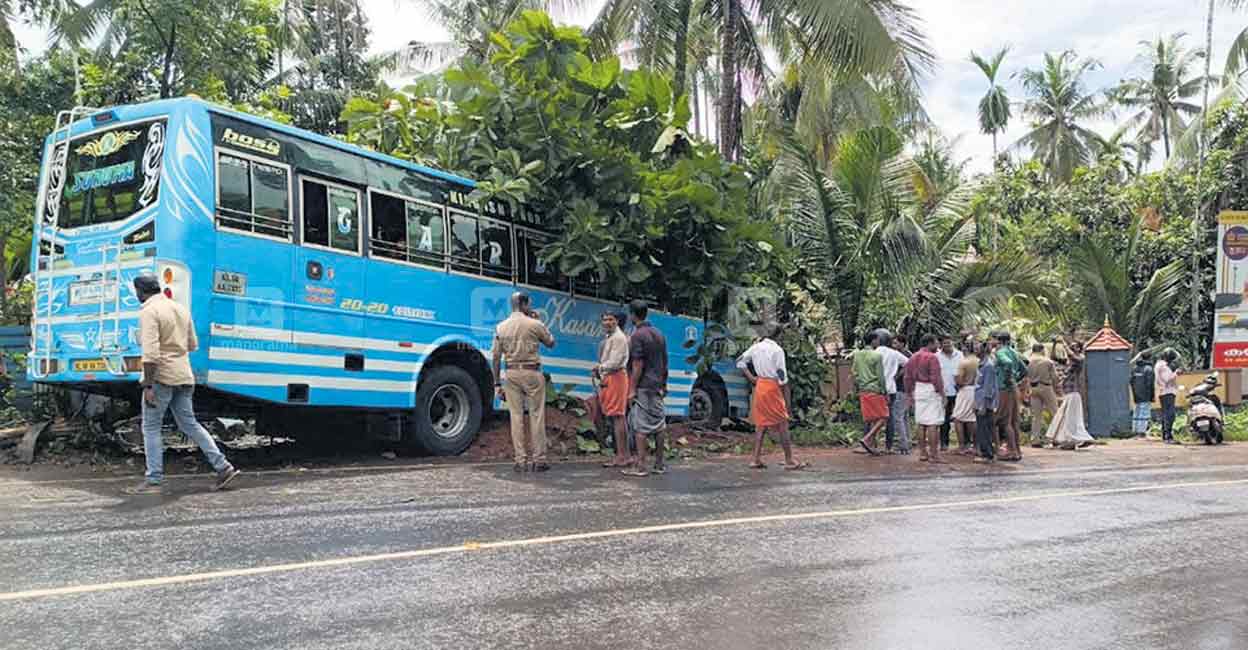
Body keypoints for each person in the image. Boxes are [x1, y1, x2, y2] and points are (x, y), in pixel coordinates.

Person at [130, 274, 239, 494]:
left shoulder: (149, 311)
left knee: (151, 427)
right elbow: (192, 344)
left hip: (161, 377)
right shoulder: (180, 309)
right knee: (190, 424)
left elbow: (150, 355)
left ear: (140, 291)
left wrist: (148, 386)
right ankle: (223, 466)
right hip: (184, 375)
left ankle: (153, 480)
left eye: (137, 292)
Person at [491, 292, 556, 472]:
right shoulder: (535, 324)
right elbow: (551, 342)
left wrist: (497, 384)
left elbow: (496, 357)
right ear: (524, 304)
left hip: (511, 373)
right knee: (536, 415)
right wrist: (540, 321)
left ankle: (520, 460)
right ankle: (539, 459)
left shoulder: (500, 327)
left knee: (516, 416)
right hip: (532, 373)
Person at [737, 325, 806, 470]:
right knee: (783, 424)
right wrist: (788, 405)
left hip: (760, 386)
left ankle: (755, 459)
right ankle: (789, 460)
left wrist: (752, 378)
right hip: (772, 388)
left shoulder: (756, 347)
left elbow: (740, 361)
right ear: (779, 336)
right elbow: (782, 377)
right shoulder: (777, 350)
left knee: (761, 425)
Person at [623, 300, 668, 477]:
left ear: (632, 315)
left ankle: (641, 466)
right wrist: (664, 384)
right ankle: (659, 463)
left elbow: (637, 364)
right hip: (657, 385)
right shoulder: (659, 334)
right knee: (659, 425)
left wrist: (632, 389)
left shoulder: (637, 336)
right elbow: (665, 362)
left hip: (643, 386)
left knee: (640, 427)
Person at [593, 311, 631, 467]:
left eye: (610, 319)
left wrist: (600, 367)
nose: (607, 322)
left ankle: (622, 455)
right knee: (616, 416)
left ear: (617, 321)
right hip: (611, 377)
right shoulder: (612, 338)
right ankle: (622, 454)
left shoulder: (619, 339)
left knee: (618, 416)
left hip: (616, 377)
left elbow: (615, 363)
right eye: (604, 319)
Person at [1046, 342, 1095, 450]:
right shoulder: (1069, 362)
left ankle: (1082, 438)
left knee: (1072, 419)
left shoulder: (1080, 359)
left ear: (1079, 349)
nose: (1072, 348)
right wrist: (1055, 344)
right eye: (1071, 347)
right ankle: (1067, 441)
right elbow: (1053, 357)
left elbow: (1073, 356)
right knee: (1064, 418)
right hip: (1068, 393)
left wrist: (1064, 344)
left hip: (1074, 393)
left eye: (1075, 347)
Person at [906, 335, 946, 462]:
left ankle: (923, 453)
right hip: (930, 389)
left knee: (921, 422)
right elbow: (936, 378)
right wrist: (942, 393)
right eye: (936, 343)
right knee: (932, 423)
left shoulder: (913, 357)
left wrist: (909, 393)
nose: (938, 346)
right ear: (930, 343)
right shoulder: (932, 357)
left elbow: (907, 377)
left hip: (918, 388)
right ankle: (934, 454)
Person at [852, 330, 891, 456]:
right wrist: (884, 392)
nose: (879, 342)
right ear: (874, 340)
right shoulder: (876, 356)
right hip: (875, 389)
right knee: (884, 416)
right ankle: (867, 438)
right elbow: (881, 376)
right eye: (878, 340)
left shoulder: (857, 355)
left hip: (863, 390)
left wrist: (860, 383)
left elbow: (854, 373)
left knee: (873, 418)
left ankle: (872, 447)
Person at [993, 331, 1026, 462]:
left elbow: (1007, 364)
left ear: (998, 341)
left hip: (1004, 388)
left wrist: (1007, 378)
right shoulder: (1014, 352)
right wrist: (1015, 378)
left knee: (1003, 421)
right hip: (1013, 388)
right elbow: (1024, 370)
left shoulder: (1000, 352)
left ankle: (1011, 452)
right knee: (1013, 421)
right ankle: (1016, 450)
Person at [880, 335, 911, 454]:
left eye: (896, 343)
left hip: (901, 388)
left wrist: (897, 375)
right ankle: (906, 442)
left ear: (903, 344)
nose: (894, 346)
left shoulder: (905, 354)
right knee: (903, 417)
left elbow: (909, 364)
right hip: (902, 388)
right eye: (893, 343)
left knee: (897, 417)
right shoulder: (898, 354)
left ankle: (903, 445)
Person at [1026, 343, 1060, 448]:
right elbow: (1055, 377)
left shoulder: (1028, 360)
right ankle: (1056, 438)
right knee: (1055, 413)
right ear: (1042, 350)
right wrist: (1055, 389)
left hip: (1033, 388)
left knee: (1036, 416)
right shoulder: (1047, 361)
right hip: (1046, 387)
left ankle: (1035, 440)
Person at [950, 340, 980, 454]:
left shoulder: (964, 362)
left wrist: (958, 383)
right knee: (972, 418)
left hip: (965, 391)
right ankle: (976, 446)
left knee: (958, 418)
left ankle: (962, 446)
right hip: (976, 390)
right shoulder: (979, 360)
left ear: (964, 348)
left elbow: (959, 380)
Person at [973, 338, 1000, 463]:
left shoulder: (988, 366)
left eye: (977, 348)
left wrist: (983, 405)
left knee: (985, 429)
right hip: (980, 400)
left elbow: (988, 388)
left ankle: (987, 454)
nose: (975, 350)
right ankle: (986, 453)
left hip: (985, 403)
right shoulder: (981, 363)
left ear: (983, 350)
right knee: (982, 427)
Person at [937, 335, 963, 451]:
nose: (947, 345)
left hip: (959, 391)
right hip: (944, 392)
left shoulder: (960, 355)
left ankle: (964, 443)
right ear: (940, 344)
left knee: (961, 417)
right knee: (944, 418)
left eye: (949, 343)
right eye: (944, 343)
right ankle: (944, 443)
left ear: (953, 342)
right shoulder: (936, 356)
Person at [1155, 349, 1181, 444]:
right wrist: (1176, 373)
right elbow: (1167, 379)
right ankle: (1168, 436)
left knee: (1165, 414)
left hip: (1163, 392)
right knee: (1170, 415)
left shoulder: (1159, 365)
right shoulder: (1163, 366)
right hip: (1167, 392)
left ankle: (1165, 435)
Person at [1129, 351, 1155, 438]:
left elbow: (1131, 381)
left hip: (1136, 394)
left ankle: (1135, 430)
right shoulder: (1149, 369)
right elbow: (1150, 384)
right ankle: (1141, 432)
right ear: (1150, 358)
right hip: (1145, 395)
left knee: (1136, 412)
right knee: (1144, 413)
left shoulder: (1135, 368)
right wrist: (1151, 396)